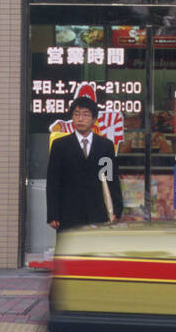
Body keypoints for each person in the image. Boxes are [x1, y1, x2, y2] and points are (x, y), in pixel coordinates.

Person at [47, 95, 123, 230]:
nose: (80, 118)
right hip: (68, 212)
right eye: (76, 114)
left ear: (94, 119)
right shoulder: (60, 145)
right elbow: (53, 182)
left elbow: (111, 179)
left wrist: (116, 210)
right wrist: (53, 214)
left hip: (97, 211)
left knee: (97, 250)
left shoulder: (105, 145)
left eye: (85, 114)